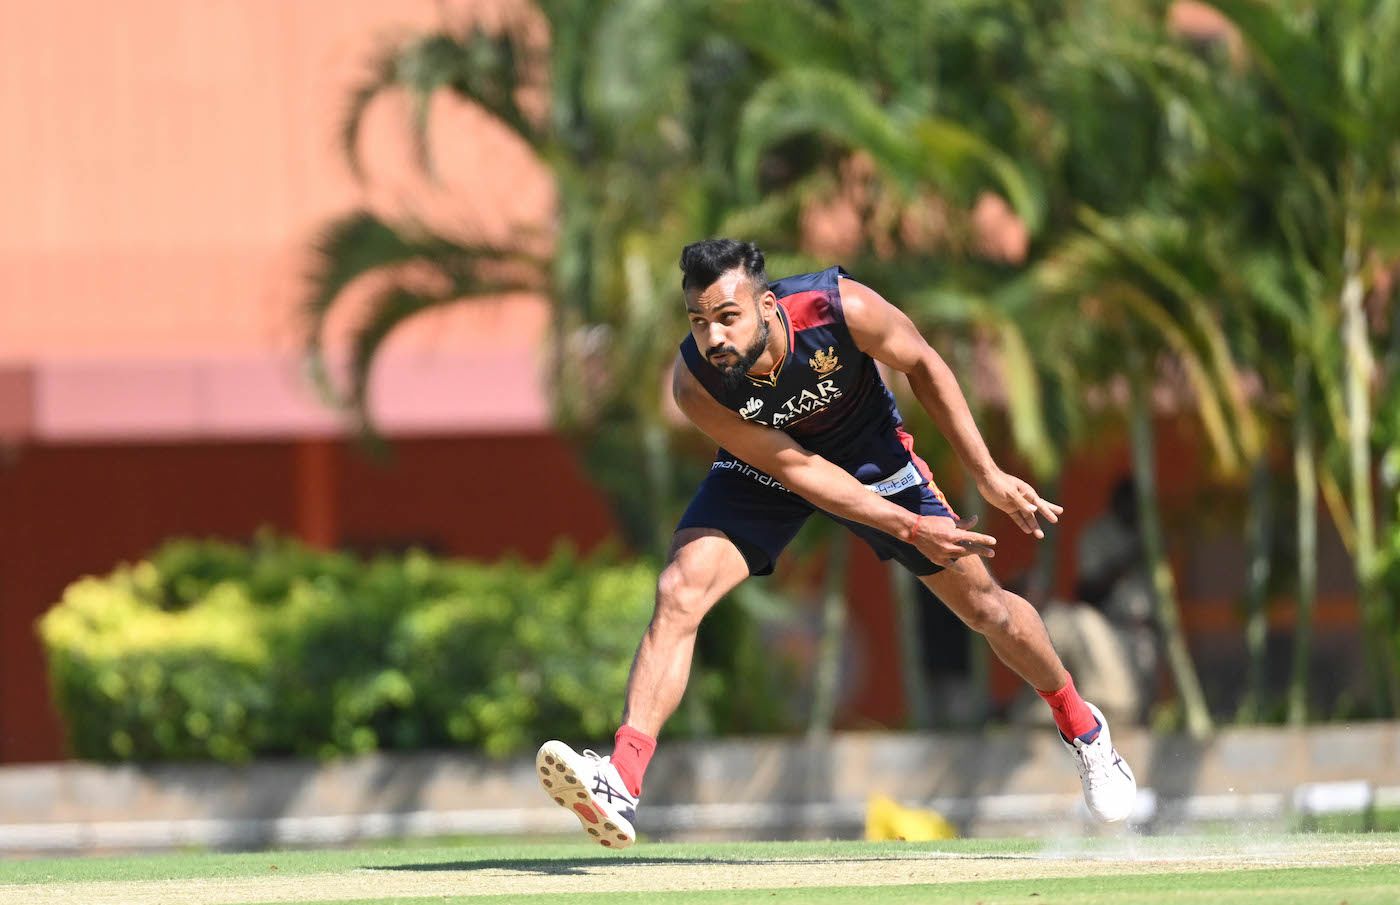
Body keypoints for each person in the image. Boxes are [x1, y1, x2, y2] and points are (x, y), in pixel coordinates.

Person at [536, 239, 1136, 848]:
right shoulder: (695, 383)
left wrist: (984, 472)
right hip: (774, 465)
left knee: (986, 609)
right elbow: (797, 470)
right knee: (680, 587)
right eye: (698, 322)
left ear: (767, 306)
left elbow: (923, 364)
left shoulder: (840, 308)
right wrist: (907, 528)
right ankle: (621, 780)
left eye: (726, 317)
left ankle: (1084, 729)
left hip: (872, 456)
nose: (713, 338)